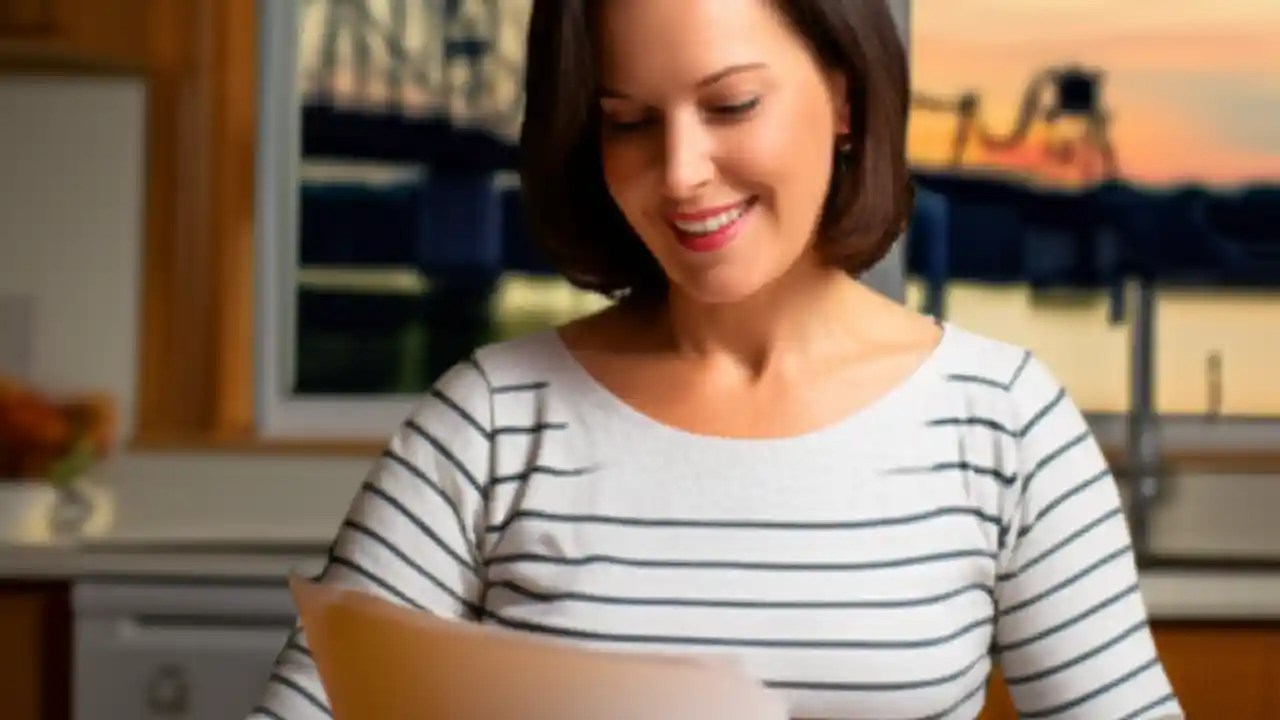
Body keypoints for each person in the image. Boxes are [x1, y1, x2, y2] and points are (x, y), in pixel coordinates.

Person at [251, 0, 1182, 718]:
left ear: (846, 98)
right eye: (628, 122)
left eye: (731, 104)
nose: (682, 171)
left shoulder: (1004, 421)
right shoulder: (492, 423)